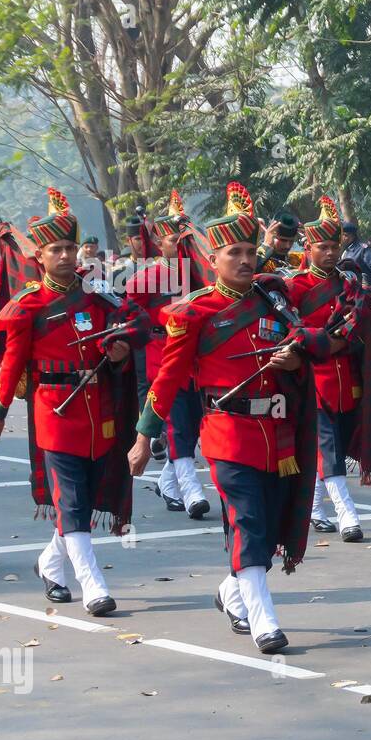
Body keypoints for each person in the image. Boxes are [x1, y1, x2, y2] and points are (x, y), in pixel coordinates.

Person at [129, 182, 321, 654]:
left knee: (271, 521)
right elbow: (168, 379)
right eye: (233, 252)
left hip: (276, 433)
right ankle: (264, 620)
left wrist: (295, 361)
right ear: (212, 258)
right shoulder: (194, 313)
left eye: (250, 251)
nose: (244, 260)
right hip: (226, 433)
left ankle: (230, 592)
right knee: (249, 519)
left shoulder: (275, 300)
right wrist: (142, 438)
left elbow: (304, 346)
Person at [0, 187, 146, 616]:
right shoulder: (27, 305)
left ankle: (49, 564)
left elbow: (129, 336)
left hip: (98, 410)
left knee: (86, 499)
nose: (64, 255)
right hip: (53, 408)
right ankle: (94, 586)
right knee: (71, 500)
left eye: (70, 247)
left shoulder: (99, 298)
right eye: (55, 248)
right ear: (39, 255)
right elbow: (12, 360)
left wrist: (120, 353)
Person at [286, 196, 371, 541]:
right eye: (322, 247)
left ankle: (313, 508)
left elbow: (365, 323)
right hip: (314, 378)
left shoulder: (349, 284)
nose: (329, 253)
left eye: (334, 247)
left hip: (346, 378)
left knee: (332, 447)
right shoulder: (295, 287)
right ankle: (348, 515)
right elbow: (291, 330)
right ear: (308, 248)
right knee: (328, 447)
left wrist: (352, 332)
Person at [125, 190, 210, 519]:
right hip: (163, 356)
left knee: (194, 425)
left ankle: (168, 483)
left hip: (199, 361)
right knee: (176, 425)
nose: (182, 245)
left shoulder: (200, 275)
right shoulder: (144, 278)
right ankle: (190, 490)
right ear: (161, 241)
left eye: (186, 239)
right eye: (176, 239)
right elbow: (132, 319)